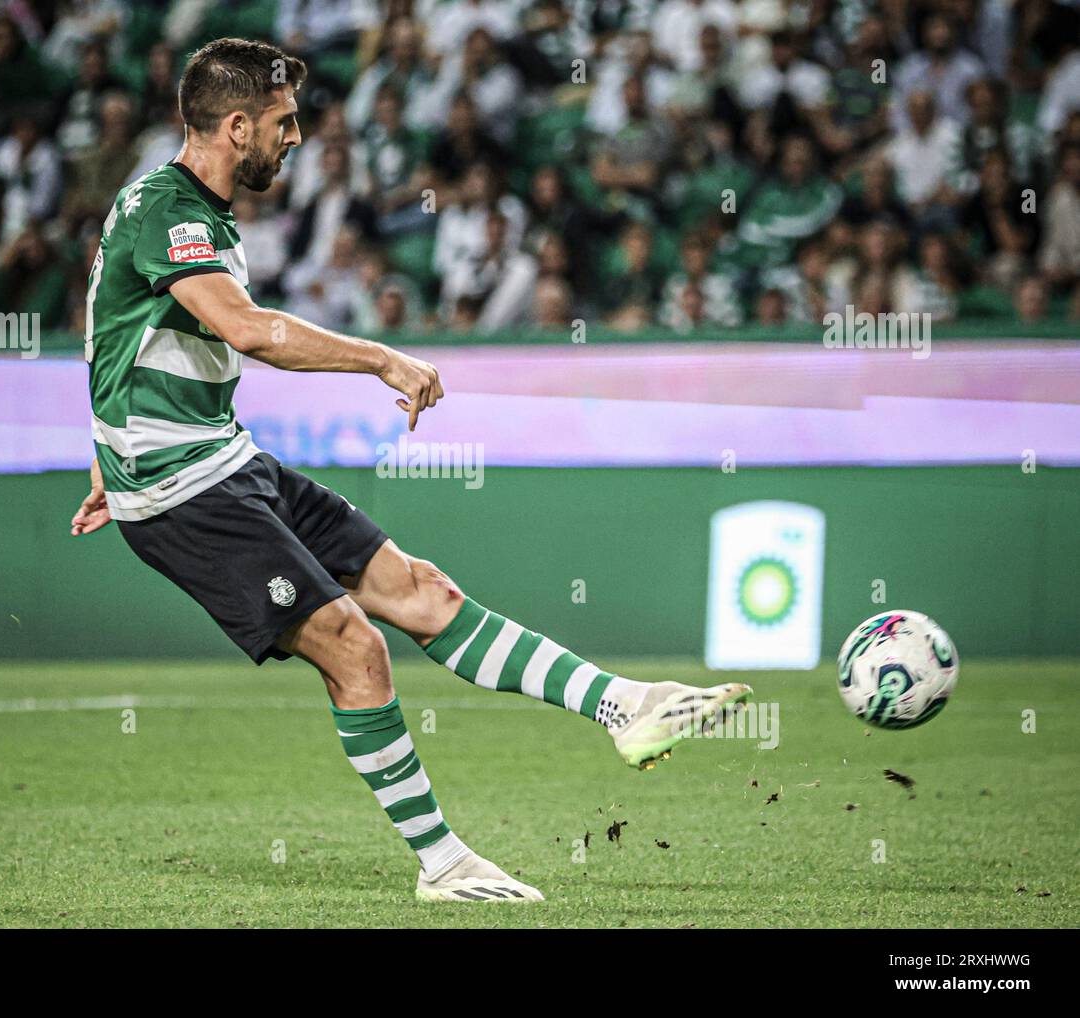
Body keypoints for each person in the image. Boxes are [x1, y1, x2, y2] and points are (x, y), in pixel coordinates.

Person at [69, 38, 751, 904]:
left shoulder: (179, 210)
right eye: (284, 122)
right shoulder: (169, 210)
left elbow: (110, 325)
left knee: (424, 593)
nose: (299, 137)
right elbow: (250, 331)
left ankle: (624, 706)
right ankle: (442, 863)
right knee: (356, 647)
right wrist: (381, 359)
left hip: (222, 457)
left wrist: (104, 449)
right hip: (180, 493)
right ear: (235, 125)